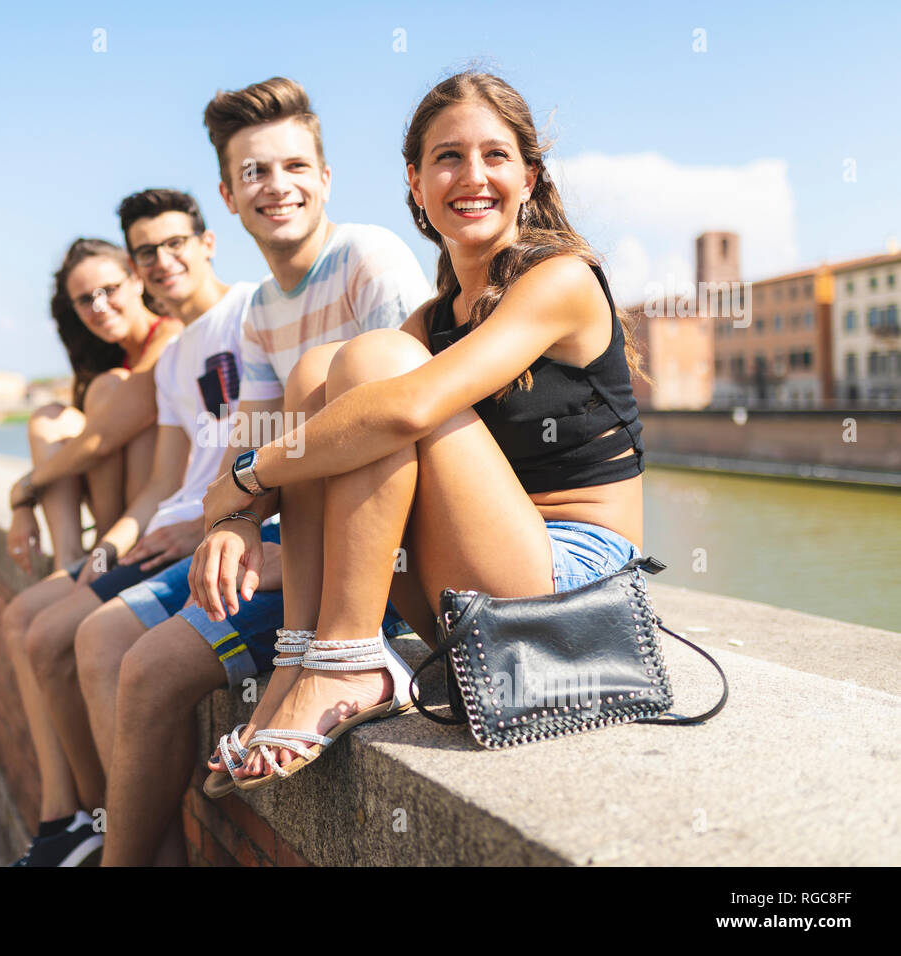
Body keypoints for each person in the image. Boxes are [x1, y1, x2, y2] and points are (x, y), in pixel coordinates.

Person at [192, 70, 652, 787]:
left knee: (377, 367)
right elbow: (332, 421)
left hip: (568, 588)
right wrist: (239, 518)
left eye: (496, 156)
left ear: (529, 177)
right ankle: (304, 657)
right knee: (321, 369)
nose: (473, 176)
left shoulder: (560, 278)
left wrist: (248, 475)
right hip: (471, 592)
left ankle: (353, 659)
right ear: (415, 181)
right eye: (447, 158)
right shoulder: (434, 317)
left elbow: (404, 410)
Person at [83, 76, 430, 866]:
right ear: (229, 197)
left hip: (372, 562)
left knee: (148, 670)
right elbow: (253, 450)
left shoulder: (369, 259)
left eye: (294, 167)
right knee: (131, 660)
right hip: (293, 543)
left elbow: (404, 422)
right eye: (255, 173)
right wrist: (232, 522)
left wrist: (248, 511)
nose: (277, 187)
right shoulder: (263, 310)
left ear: (325, 177)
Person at [12, 189, 260, 866]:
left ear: (208, 242)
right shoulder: (180, 360)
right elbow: (164, 486)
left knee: (76, 638)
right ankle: (106, 828)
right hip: (170, 529)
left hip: (221, 535)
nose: (162, 260)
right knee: (47, 633)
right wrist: (114, 543)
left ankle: (115, 836)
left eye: (174, 243)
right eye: (147, 250)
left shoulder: (253, 312)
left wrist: (213, 523)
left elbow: (271, 448)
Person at [2, 236, 180, 867]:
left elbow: (104, 437)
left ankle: (101, 821)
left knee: (90, 403)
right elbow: (80, 444)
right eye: (84, 300)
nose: (99, 305)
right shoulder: (113, 363)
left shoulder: (168, 341)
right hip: (115, 535)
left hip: (148, 534)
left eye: (109, 288)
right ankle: (66, 818)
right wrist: (25, 503)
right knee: (19, 618)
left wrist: (22, 488)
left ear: (138, 278)